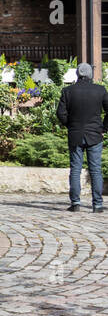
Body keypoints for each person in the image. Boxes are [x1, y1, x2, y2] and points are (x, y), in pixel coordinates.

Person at [57, 62, 108, 212]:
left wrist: (70, 125)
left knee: (75, 169)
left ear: (78, 74)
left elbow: (60, 113)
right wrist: (104, 128)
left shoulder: (68, 91)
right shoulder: (100, 90)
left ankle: (75, 203)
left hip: (75, 134)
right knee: (95, 170)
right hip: (95, 135)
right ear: (90, 74)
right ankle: (97, 205)